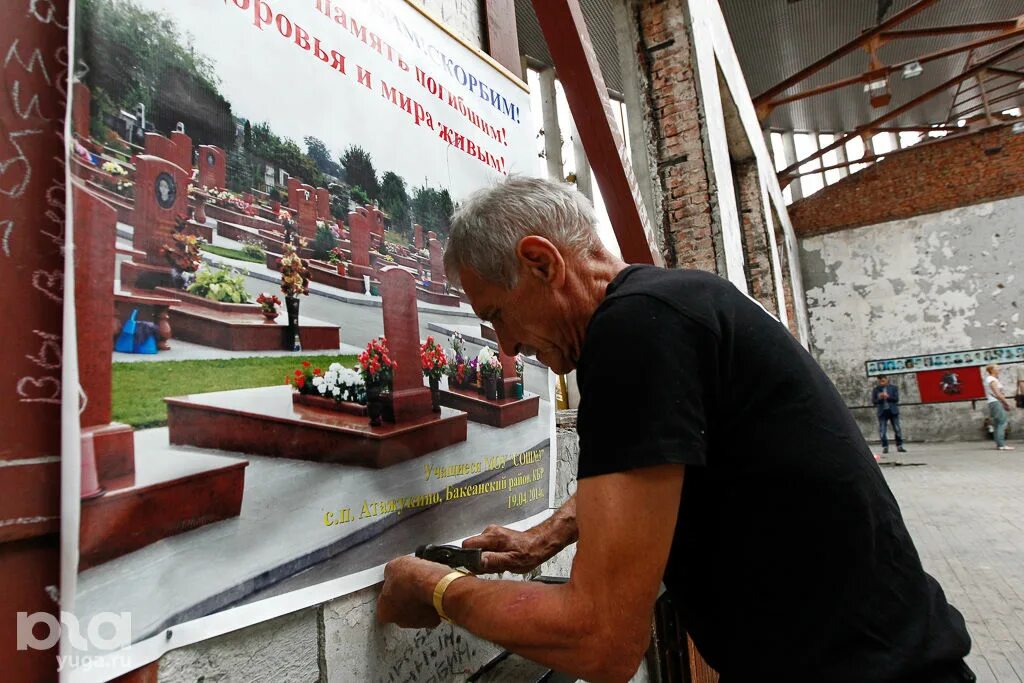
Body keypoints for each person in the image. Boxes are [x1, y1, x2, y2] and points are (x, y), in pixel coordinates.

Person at [377, 177, 973, 682]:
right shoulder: (672, 306)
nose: (505, 347)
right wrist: (549, 534)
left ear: (540, 262)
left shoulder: (633, 332)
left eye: (497, 316)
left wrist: (434, 588)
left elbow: (602, 640)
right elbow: (684, 461)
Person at [871, 375, 906, 454]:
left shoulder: (893, 388)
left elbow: (896, 399)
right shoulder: (876, 390)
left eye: (883, 381)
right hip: (882, 412)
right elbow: (874, 401)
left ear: (887, 380)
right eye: (880, 381)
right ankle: (885, 446)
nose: (881, 383)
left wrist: (888, 397)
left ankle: (899, 445)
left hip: (893, 411)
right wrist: (880, 398)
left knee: (897, 429)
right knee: (882, 430)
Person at [983, 364, 1015, 451]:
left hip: (994, 402)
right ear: (992, 370)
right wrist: (1006, 403)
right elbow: (997, 393)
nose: (999, 370)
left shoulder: (992, 379)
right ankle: (1001, 445)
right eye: (997, 368)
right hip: (996, 402)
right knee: (1002, 423)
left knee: (998, 424)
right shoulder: (991, 379)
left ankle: (1000, 445)